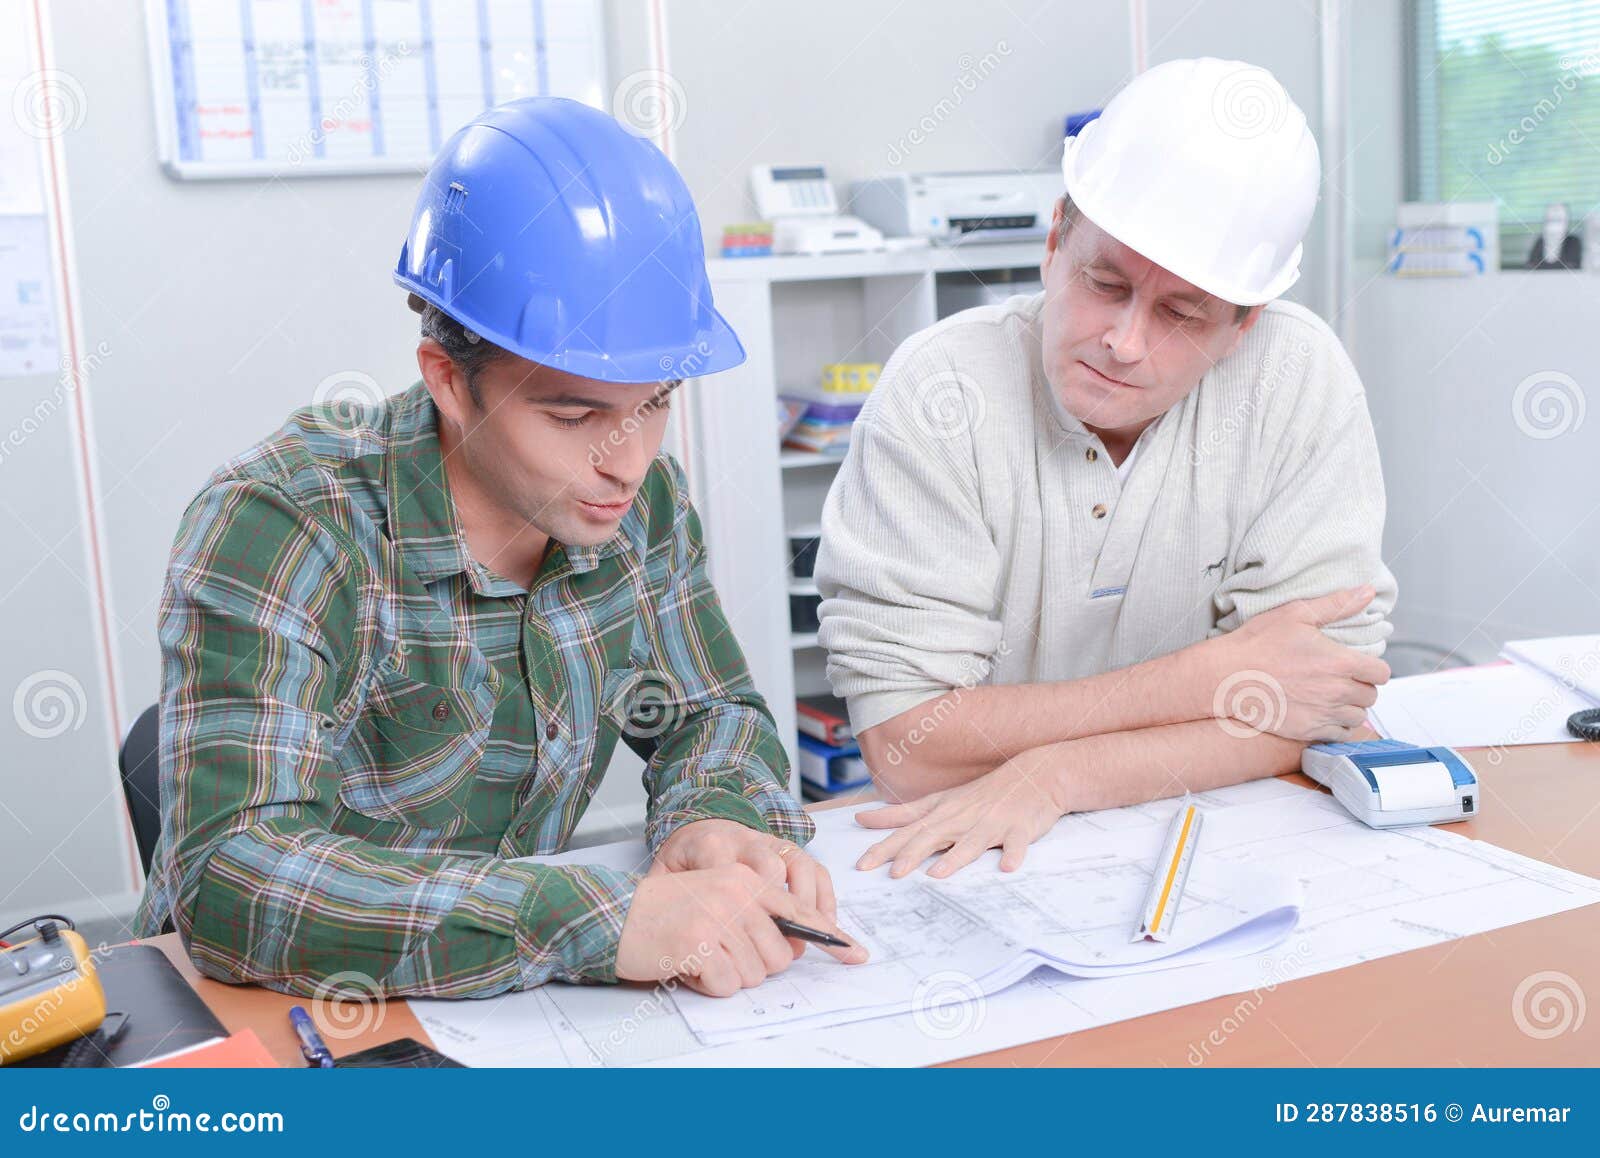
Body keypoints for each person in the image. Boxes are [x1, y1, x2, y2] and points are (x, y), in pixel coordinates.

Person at [135, 98, 866, 1000]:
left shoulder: (642, 507)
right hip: (273, 1010)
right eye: (573, 415)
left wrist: (710, 816)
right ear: (448, 379)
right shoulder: (284, 524)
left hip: (515, 1015)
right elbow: (231, 878)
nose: (629, 465)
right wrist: (590, 916)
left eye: (655, 404)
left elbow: (709, 715)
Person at [814, 59, 1397, 879]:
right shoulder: (941, 392)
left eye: (1181, 313)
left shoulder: (1295, 377)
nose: (1124, 340)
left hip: (1236, 846)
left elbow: (1320, 706)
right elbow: (911, 748)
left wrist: (1062, 772)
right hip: (983, 855)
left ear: (1242, 325)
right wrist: (1209, 680)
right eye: (1105, 282)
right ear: (1056, 241)